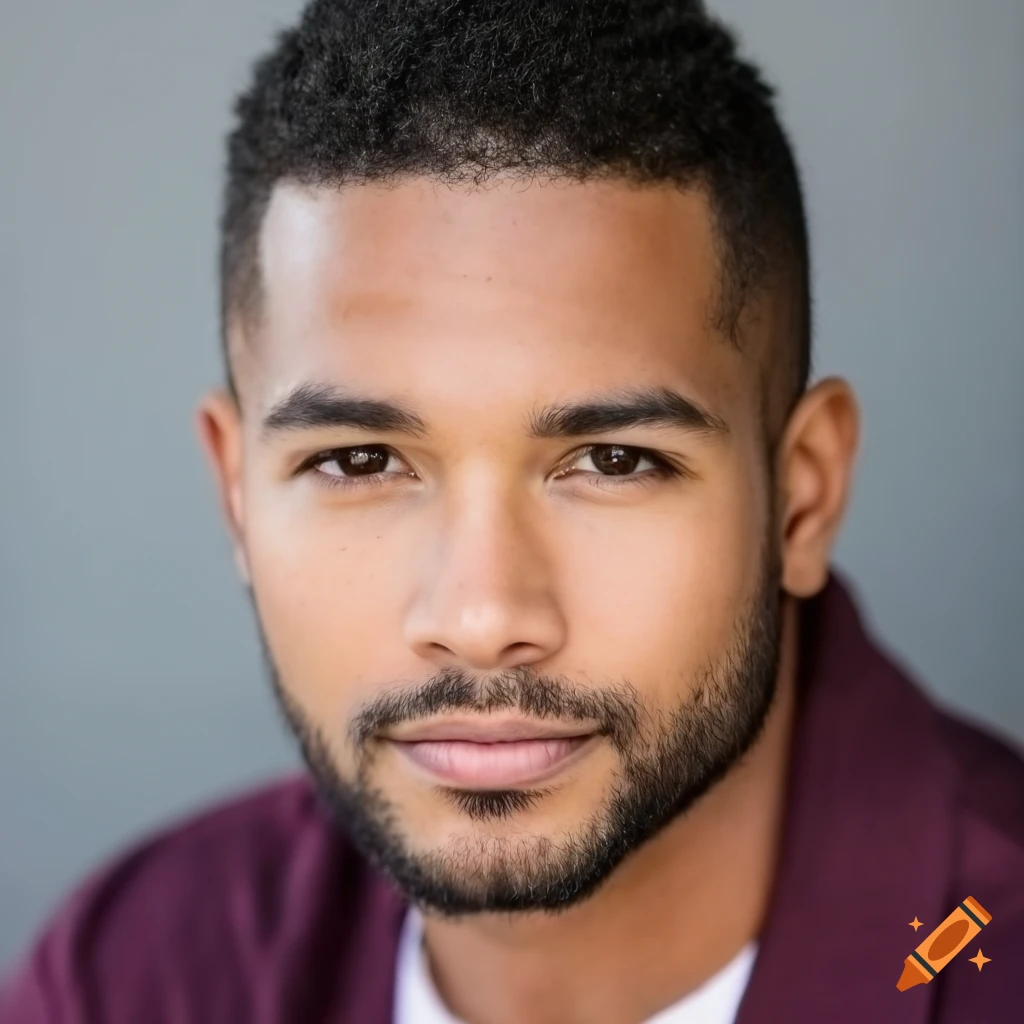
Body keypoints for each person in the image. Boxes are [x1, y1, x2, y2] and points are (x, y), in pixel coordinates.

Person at [3, 1, 1022, 1021]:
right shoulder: (131, 980)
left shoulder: (987, 963)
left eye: (613, 460)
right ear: (235, 497)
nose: (483, 616)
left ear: (802, 497)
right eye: (359, 460)